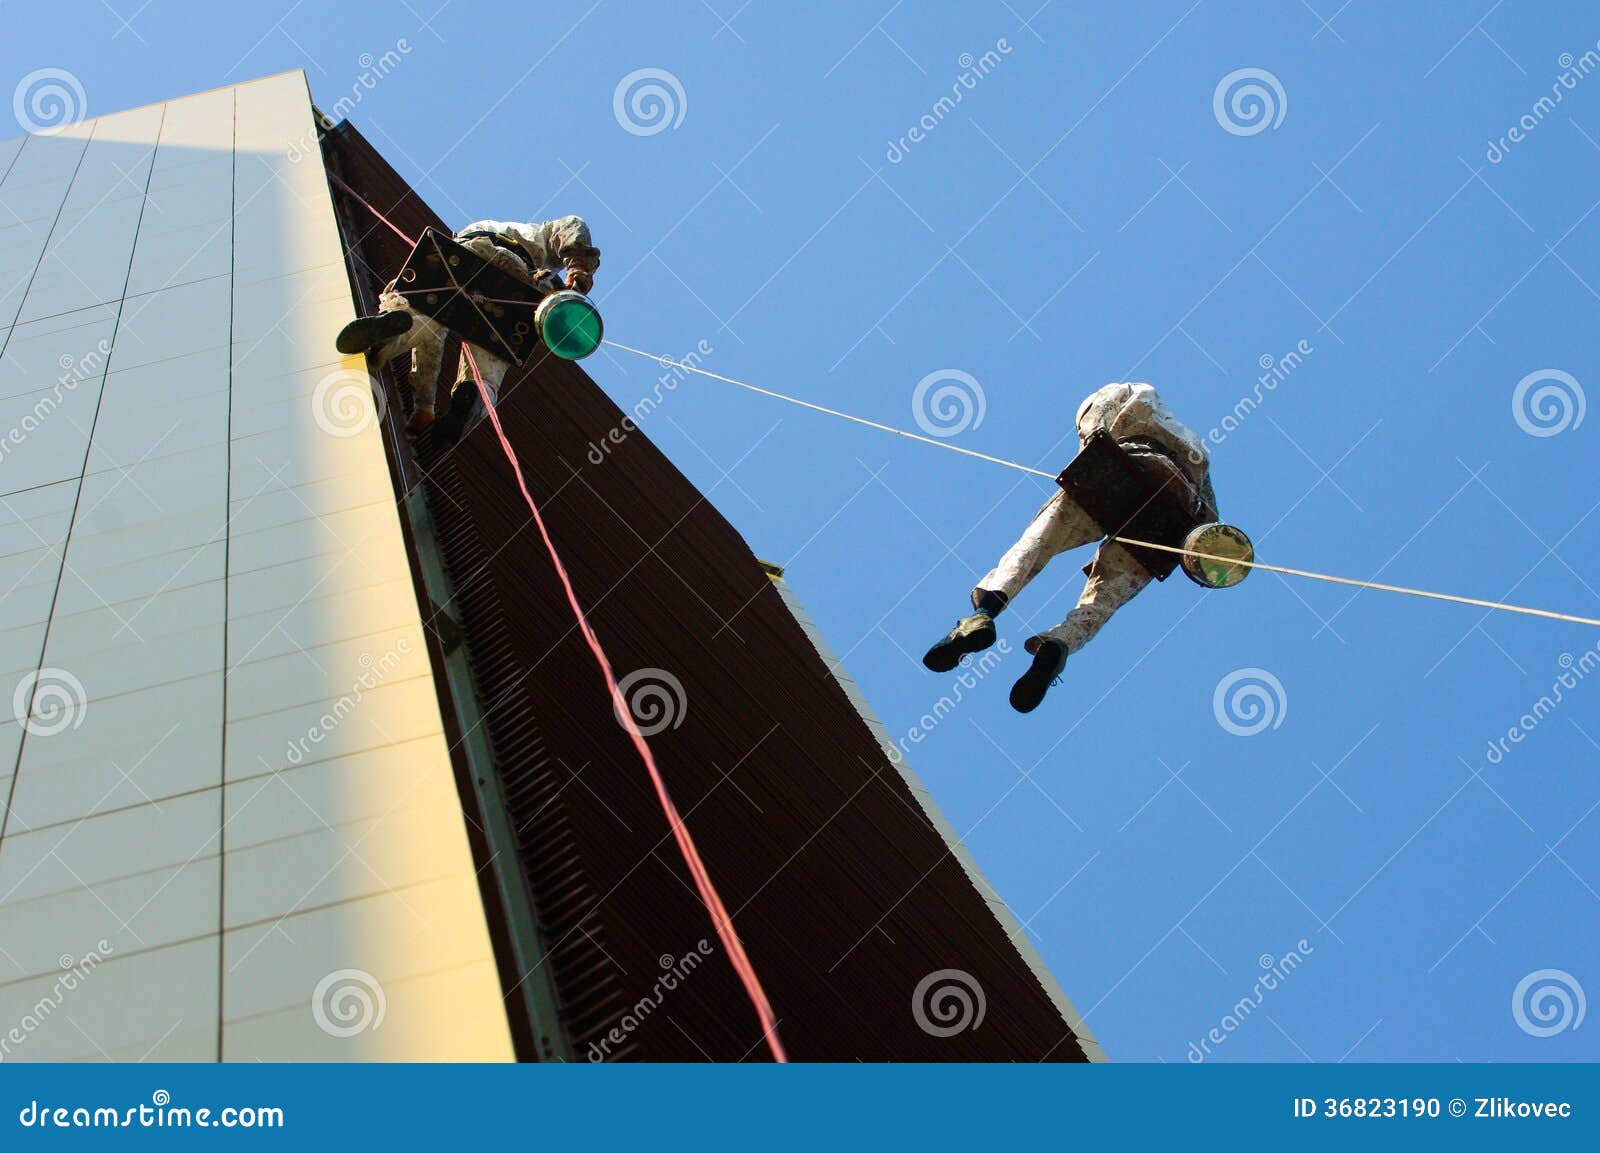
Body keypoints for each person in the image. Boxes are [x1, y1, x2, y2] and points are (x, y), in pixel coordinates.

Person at [922, 382, 1219, 713]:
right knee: (1105, 599)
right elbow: (1207, 523)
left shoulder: (1134, 391)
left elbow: (1097, 420)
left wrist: (1091, 446)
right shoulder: (1199, 452)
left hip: (1121, 468)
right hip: (1173, 508)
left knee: (1035, 544)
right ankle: (1060, 643)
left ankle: (982, 615)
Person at [335, 216, 601, 442]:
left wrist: (424, 406)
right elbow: (573, 224)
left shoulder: (505, 230)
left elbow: (432, 343)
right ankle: (471, 400)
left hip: (465, 256)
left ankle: (387, 339)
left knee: (425, 315)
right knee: (492, 363)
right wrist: (578, 274)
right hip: (515, 284)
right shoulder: (539, 248)